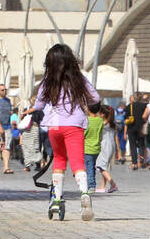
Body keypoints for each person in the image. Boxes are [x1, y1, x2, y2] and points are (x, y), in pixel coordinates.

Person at [34, 43, 100, 221]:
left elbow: (38, 105)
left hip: (54, 127)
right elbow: (95, 98)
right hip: (74, 125)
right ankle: (85, 193)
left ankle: (56, 200)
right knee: (78, 163)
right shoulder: (79, 79)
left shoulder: (47, 81)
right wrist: (81, 99)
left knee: (59, 161)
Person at [94, 105, 119, 193]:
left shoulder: (103, 124)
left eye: (99, 112)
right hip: (111, 145)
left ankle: (113, 184)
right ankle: (102, 186)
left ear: (103, 114)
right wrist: (118, 150)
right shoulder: (112, 124)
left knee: (100, 165)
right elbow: (116, 138)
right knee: (105, 166)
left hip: (105, 146)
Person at [0, 84, 14, 173]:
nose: (4, 91)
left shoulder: (8, 101)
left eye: (5, 90)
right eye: (2, 90)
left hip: (7, 127)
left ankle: (6, 167)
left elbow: (9, 112)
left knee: (6, 147)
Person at [84, 102, 106, 191]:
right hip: (96, 147)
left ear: (88, 109)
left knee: (88, 167)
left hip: (87, 147)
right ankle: (91, 183)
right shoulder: (100, 120)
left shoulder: (86, 120)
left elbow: (84, 133)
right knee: (92, 166)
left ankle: (91, 185)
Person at [126, 91, 148, 170]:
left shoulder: (129, 106)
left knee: (133, 145)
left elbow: (125, 118)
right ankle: (141, 159)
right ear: (141, 98)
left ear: (134, 98)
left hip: (131, 128)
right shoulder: (145, 106)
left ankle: (134, 163)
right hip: (141, 128)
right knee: (141, 144)